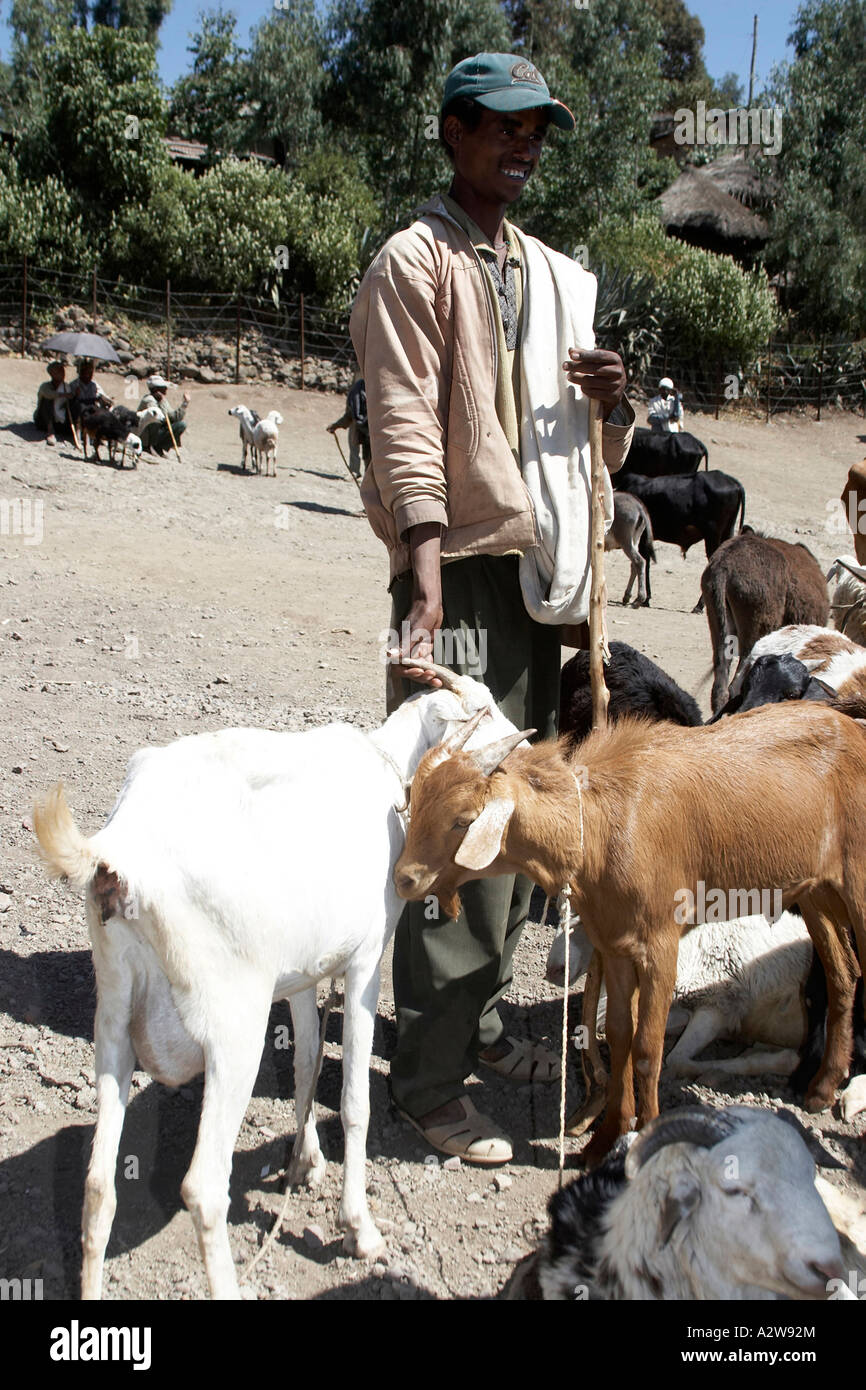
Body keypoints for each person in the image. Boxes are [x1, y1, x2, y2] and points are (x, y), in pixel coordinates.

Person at [350, 52, 634, 1163]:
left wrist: (611, 407)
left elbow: (580, 447)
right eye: (504, 126)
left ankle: (471, 1027)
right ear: (454, 132)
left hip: (540, 571)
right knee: (450, 807)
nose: (524, 145)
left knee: (521, 805)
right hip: (457, 566)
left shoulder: (547, 273)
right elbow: (404, 419)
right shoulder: (412, 263)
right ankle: (423, 1080)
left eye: (538, 131)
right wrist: (420, 565)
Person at [326, 377, 371, 480]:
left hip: (368, 426)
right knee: (357, 446)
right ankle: (356, 471)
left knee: (367, 454)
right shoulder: (361, 387)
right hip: (365, 426)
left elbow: (352, 413)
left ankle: (368, 478)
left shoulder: (360, 388)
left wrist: (336, 425)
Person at [137, 375, 190, 457]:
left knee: (181, 425)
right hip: (145, 434)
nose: (166, 389)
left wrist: (185, 404)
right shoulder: (149, 400)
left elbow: (173, 417)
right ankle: (147, 446)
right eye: (163, 387)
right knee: (154, 423)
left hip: (158, 431)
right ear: (156, 389)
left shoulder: (162, 400)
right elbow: (158, 418)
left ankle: (159, 447)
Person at [33, 361, 72, 446]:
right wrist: (64, 395)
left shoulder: (66, 387)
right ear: (52, 374)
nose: (62, 373)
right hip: (44, 421)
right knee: (47, 400)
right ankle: (50, 432)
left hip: (60, 421)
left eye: (63, 371)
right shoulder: (45, 386)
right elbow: (49, 394)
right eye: (59, 371)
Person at [68, 358, 113, 424]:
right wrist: (75, 395)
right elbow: (69, 401)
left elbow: (103, 397)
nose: (87, 375)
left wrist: (104, 399)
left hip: (92, 407)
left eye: (90, 373)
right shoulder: (74, 385)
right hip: (79, 409)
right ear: (80, 372)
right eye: (84, 372)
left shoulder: (94, 385)